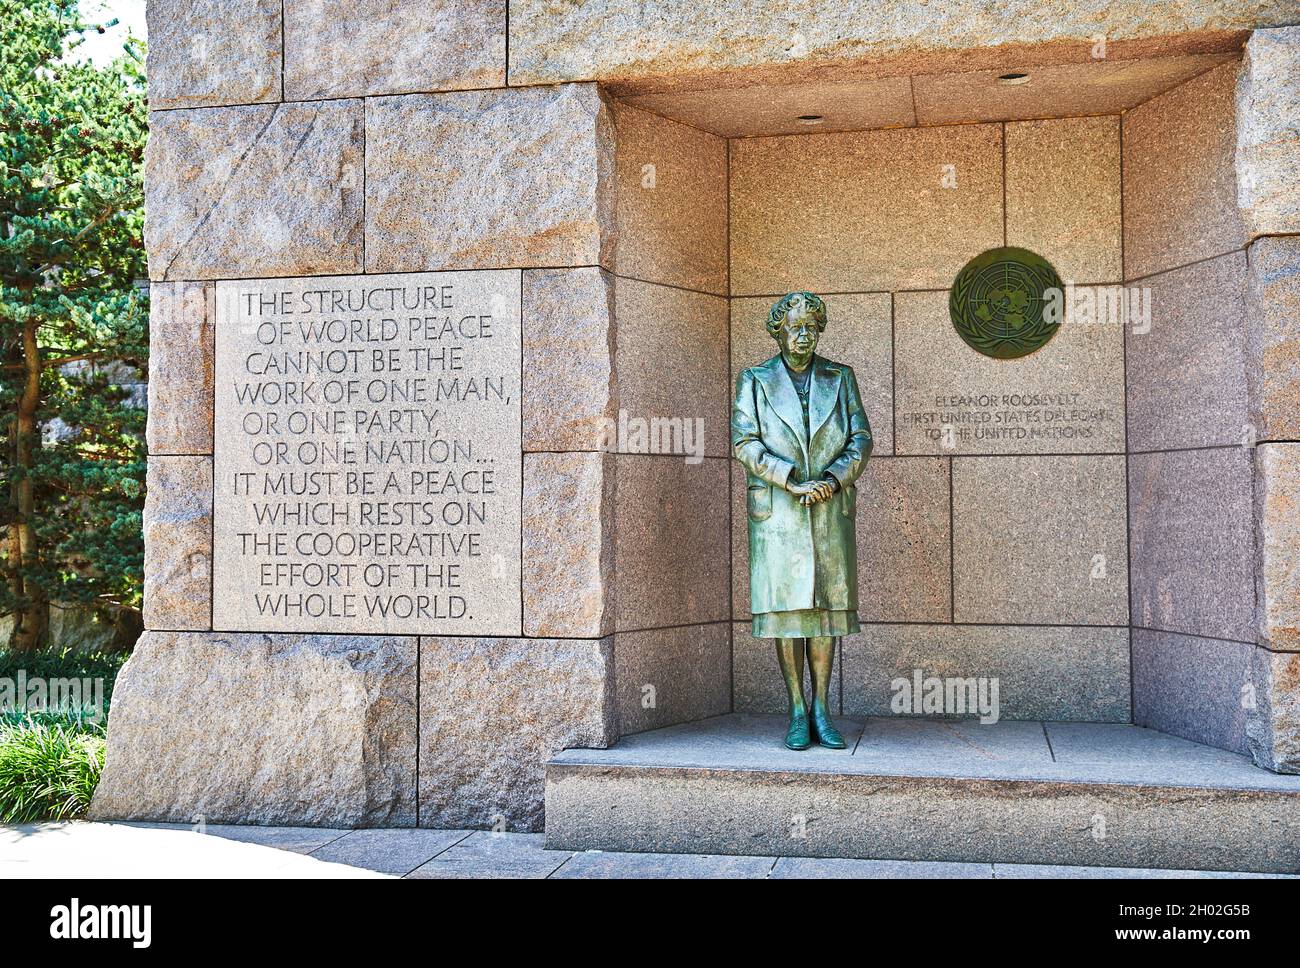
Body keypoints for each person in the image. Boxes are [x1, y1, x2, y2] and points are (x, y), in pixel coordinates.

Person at [731, 292, 872, 750]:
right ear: (778, 331)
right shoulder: (754, 379)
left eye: (811, 327)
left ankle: (822, 709)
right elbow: (744, 442)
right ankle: (796, 707)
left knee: (825, 613)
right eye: (795, 328)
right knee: (788, 611)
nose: (804, 336)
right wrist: (790, 480)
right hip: (780, 510)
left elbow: (860, 438)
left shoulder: (840, 377)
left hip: (829, 506)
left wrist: (832, 479)